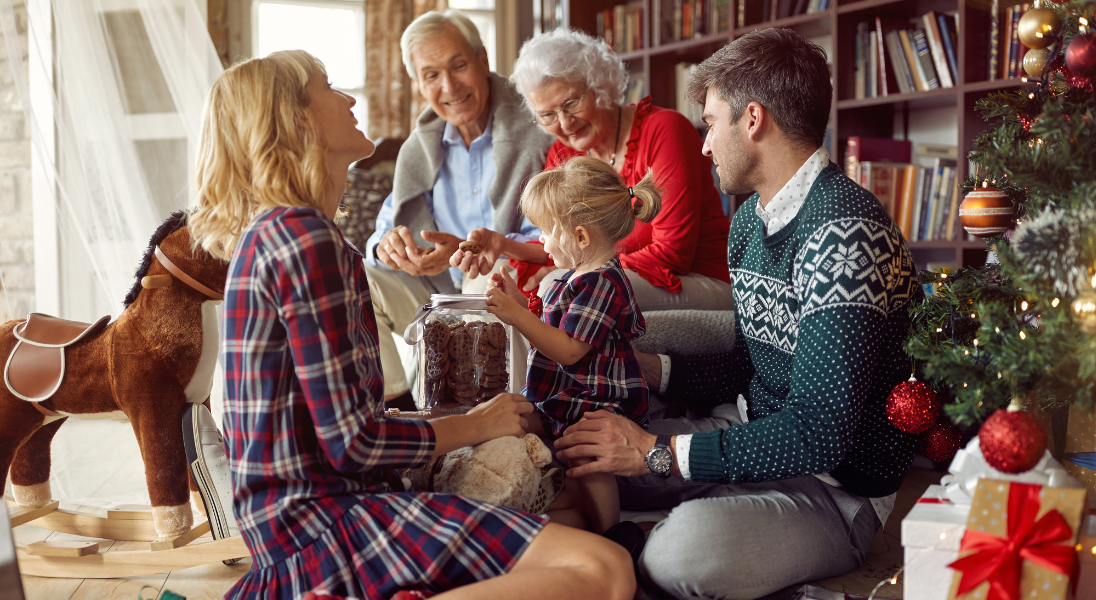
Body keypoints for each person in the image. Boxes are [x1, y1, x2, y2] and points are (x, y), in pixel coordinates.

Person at [188, 50, 634, 600]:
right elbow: (354, 443)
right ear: (297, 119)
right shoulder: (303, 238)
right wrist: (476, 423)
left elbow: (339, 431)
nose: (349, 99)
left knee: (572, 527)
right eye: (328, 87)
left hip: (307, 520)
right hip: (321, 529)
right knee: (606, 570)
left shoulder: (284, 232)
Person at [552, 29, 923, 600]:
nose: (704, 146)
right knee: (583, 466)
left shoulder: (844, 232)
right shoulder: (750, 221)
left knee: (681, 552)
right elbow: (750, 365)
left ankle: (670, 532)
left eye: (710, 123)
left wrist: (654, 453)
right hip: (745, 430)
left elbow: (820, 434)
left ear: (753, 119)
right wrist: (649, 368)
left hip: (833, 489)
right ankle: (676, 524)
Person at [464, 28, 733, 312]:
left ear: (600, 85)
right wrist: (504, 245)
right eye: (548, 114)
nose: (564, 123)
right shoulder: (564, 154)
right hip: (615, 273)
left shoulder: (665, 131)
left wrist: (573, 273)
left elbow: (671, 254)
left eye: (571, 103)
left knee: (563, 289)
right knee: (489, 284)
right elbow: (562, 243)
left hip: (698, 279)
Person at [363, 10, 554, 400]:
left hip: (505, 283)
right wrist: (387, 248)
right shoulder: (421, 146)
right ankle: (399, 408)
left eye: (459, 66)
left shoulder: (537, 128)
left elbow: (552, 234)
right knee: (359, 279)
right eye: (431, 75)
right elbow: (385, 229)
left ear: (483, 59)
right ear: (419, 84)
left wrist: (471, 251)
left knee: (487, 276)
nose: (449, 86)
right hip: (435, 294)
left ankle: (505, 412)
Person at [483, 157, 660, 539]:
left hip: (594, 399)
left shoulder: (602, 282)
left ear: (580, 237)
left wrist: (516, 315)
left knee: (587, 453)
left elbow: (568, 351)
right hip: (563, 392)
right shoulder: (573, 276)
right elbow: (551, 331)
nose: (542, 242)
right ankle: (559, 504)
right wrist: (520, 300)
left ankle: (613, 533)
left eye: (546, 231)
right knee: (510, 418)